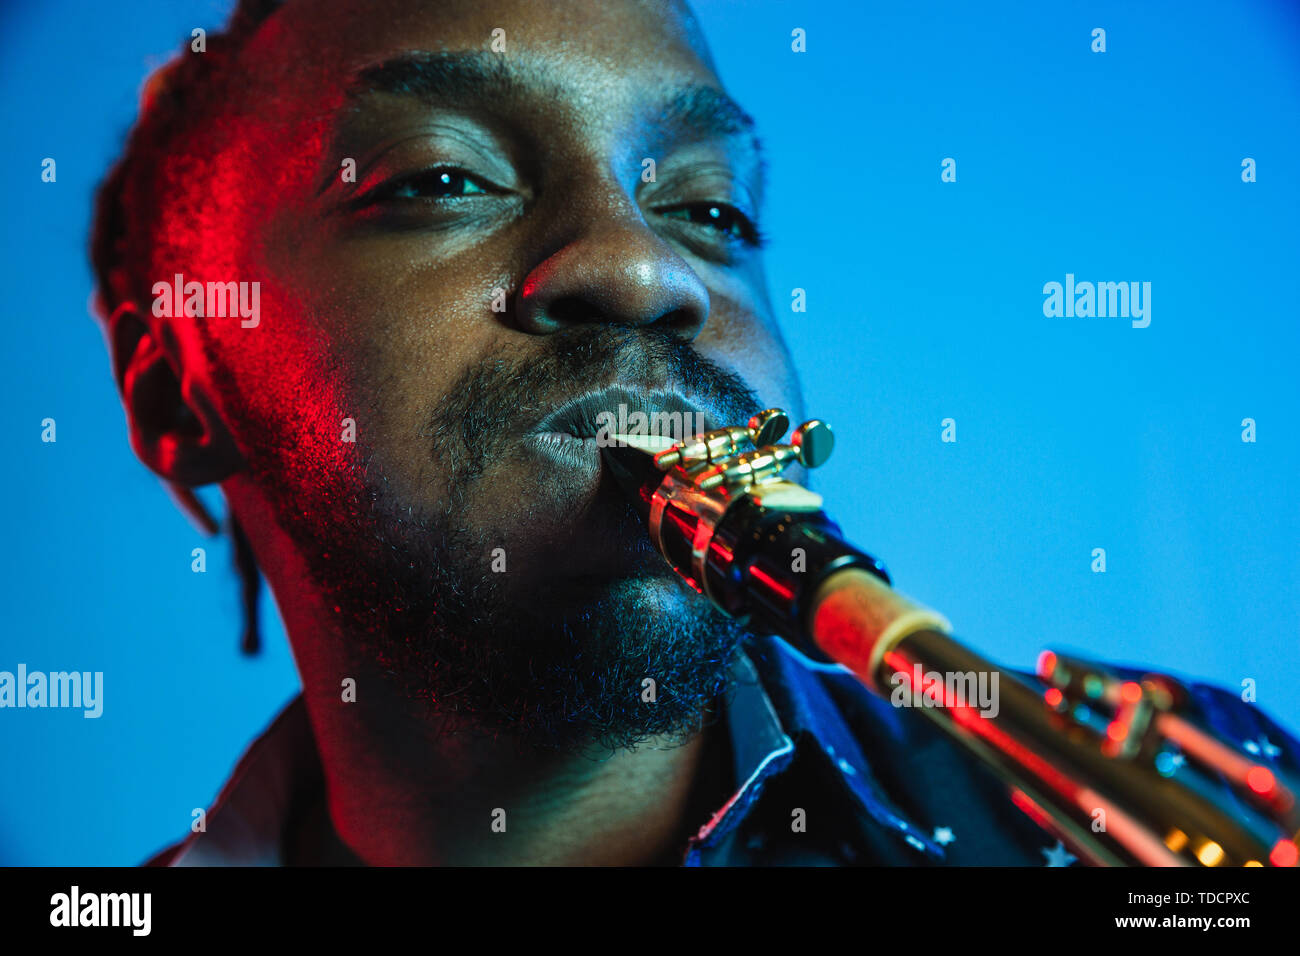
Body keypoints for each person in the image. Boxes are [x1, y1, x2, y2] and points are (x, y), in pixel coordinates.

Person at [90, 0, 1298, 866]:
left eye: (710, 206)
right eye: (438, 179)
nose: (643, 265)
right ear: (174, 393)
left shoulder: (1193, 794)